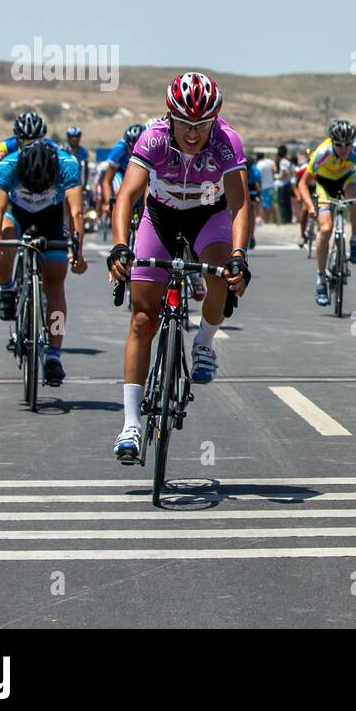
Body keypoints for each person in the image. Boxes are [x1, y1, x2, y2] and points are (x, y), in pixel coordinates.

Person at [106, 72, 251, 462]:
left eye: (202, 124)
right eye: (185, 123)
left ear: (214, 120)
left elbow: (239, 205)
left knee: (219, 273)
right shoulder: (153, 138)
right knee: (141, 319)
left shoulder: (226, 142)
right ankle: (131, 424)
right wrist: (120, 246)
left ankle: (203, 343)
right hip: (161, 216)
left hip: (208, 215)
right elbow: (127, 197)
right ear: (170, 117)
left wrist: (240, 255)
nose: (192, 132)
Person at [0, 140, 87, 384]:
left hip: (51, 219)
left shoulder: (67, 165)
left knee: (55, 285)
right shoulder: (9, 165)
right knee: (6, 237)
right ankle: (7, 289)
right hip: (17, 213)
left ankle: (54, 355)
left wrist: (77, 253)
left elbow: (76, 213)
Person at [296, 119, 356, 305]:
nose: (343, 149)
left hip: (346, 179)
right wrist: (310, 206)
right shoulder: (322, 152)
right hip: (324, 184)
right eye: (339, 145)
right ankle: (320, 279)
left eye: (347, 145)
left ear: (353, 142)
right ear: (331, 142)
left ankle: (355, 239)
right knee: (326, 228)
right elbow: (302, 184)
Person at [100, 123, 146, 220]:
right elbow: (106, 181)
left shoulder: (149, 149)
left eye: (137, 147)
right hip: (120, 173)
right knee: (120, 191)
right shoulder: (119, 149)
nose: (133, 150)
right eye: (131, 147)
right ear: (126, 144)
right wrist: (109, 202)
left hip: (139, 173)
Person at [275, 145, 293, 225]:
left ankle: (283, 219)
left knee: (281, 202)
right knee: (287, 203)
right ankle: (288, 219)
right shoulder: (287, 161)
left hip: (283, 184)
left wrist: (278, 177)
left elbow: (285, 172)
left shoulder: (282, 161)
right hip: (287, 184)